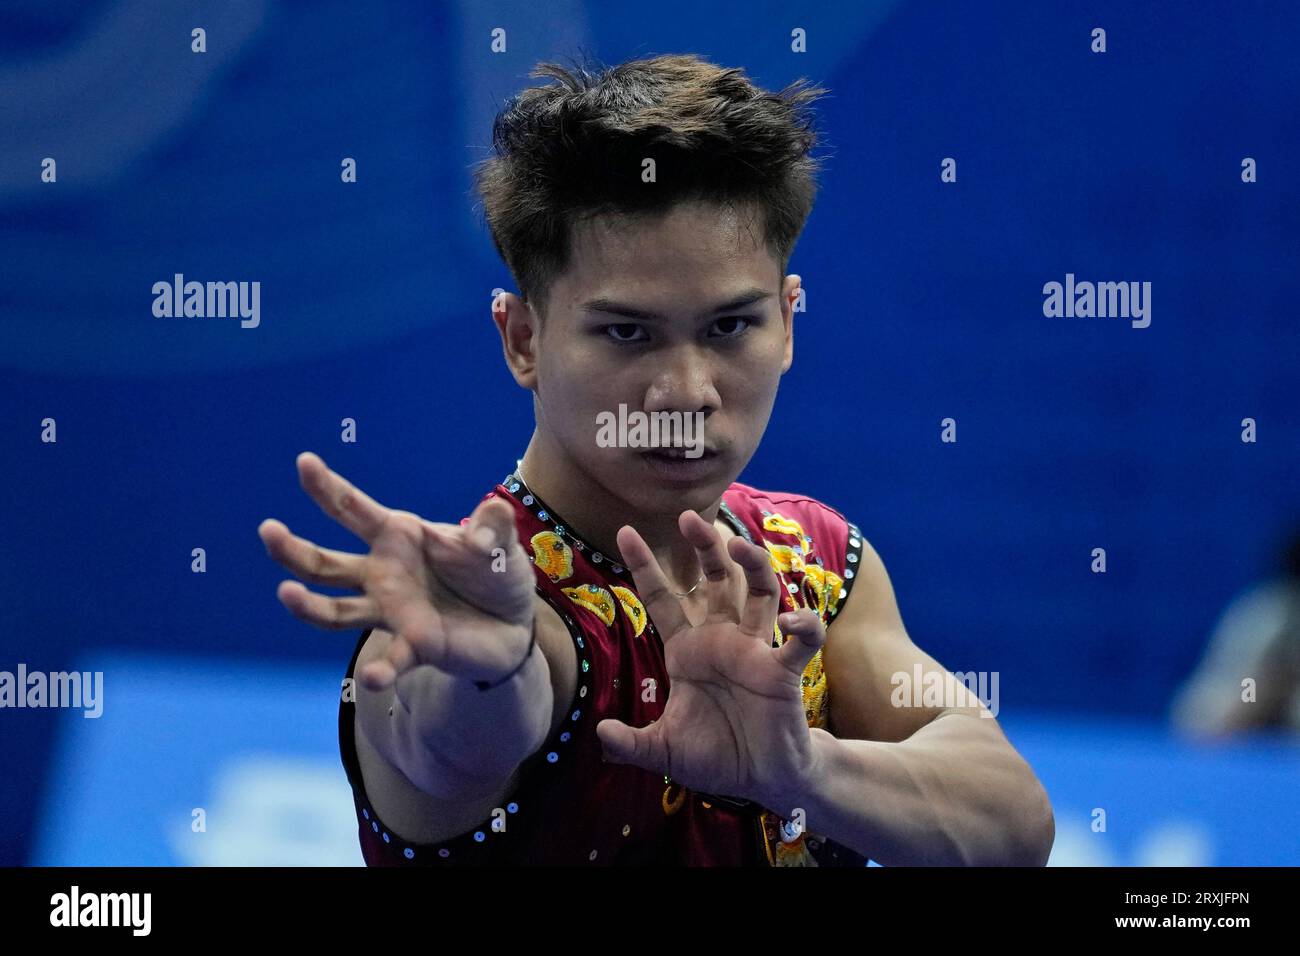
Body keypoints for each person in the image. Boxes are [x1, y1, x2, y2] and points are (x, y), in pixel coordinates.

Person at [258, 53, 1054, 866]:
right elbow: (448, 739)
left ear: (788, 321)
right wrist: (486, 673)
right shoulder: (475, 618)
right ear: (523, 340)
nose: (686, 393)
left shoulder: (814, 560)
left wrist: (804, 771)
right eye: (627, 333)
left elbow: (1015, 829)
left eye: (729, 327)